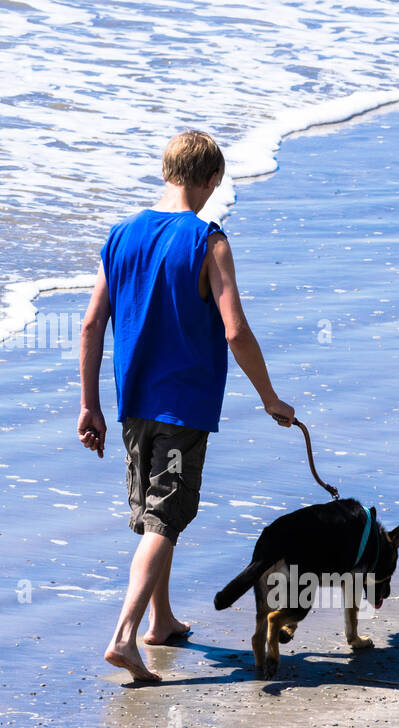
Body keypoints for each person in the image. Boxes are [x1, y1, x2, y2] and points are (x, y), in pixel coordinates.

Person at [77, 130, 295, 683]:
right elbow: (236, 331)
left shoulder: (120, 235)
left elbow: (90, 324)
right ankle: (124, 638)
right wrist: (270, 398)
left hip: (132, 407)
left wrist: (89, 406)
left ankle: (161, 620)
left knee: (156, 516)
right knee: (165, 518)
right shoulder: (208, 240)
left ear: (166, 170)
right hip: (183, 409)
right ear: (211, 181)